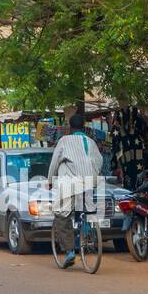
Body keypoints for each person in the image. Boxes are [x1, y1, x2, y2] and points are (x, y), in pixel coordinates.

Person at [47, 113, 103, 267]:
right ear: (84, 127)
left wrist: (50, 180)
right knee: (87, 210)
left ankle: (70, 251)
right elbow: (99, 161)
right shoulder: (90, 142)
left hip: (69, 183)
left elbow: (54, 162)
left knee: (61, 214)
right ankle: (86, 233)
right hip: (89, 182)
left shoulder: (64, 141)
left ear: (70, 128)